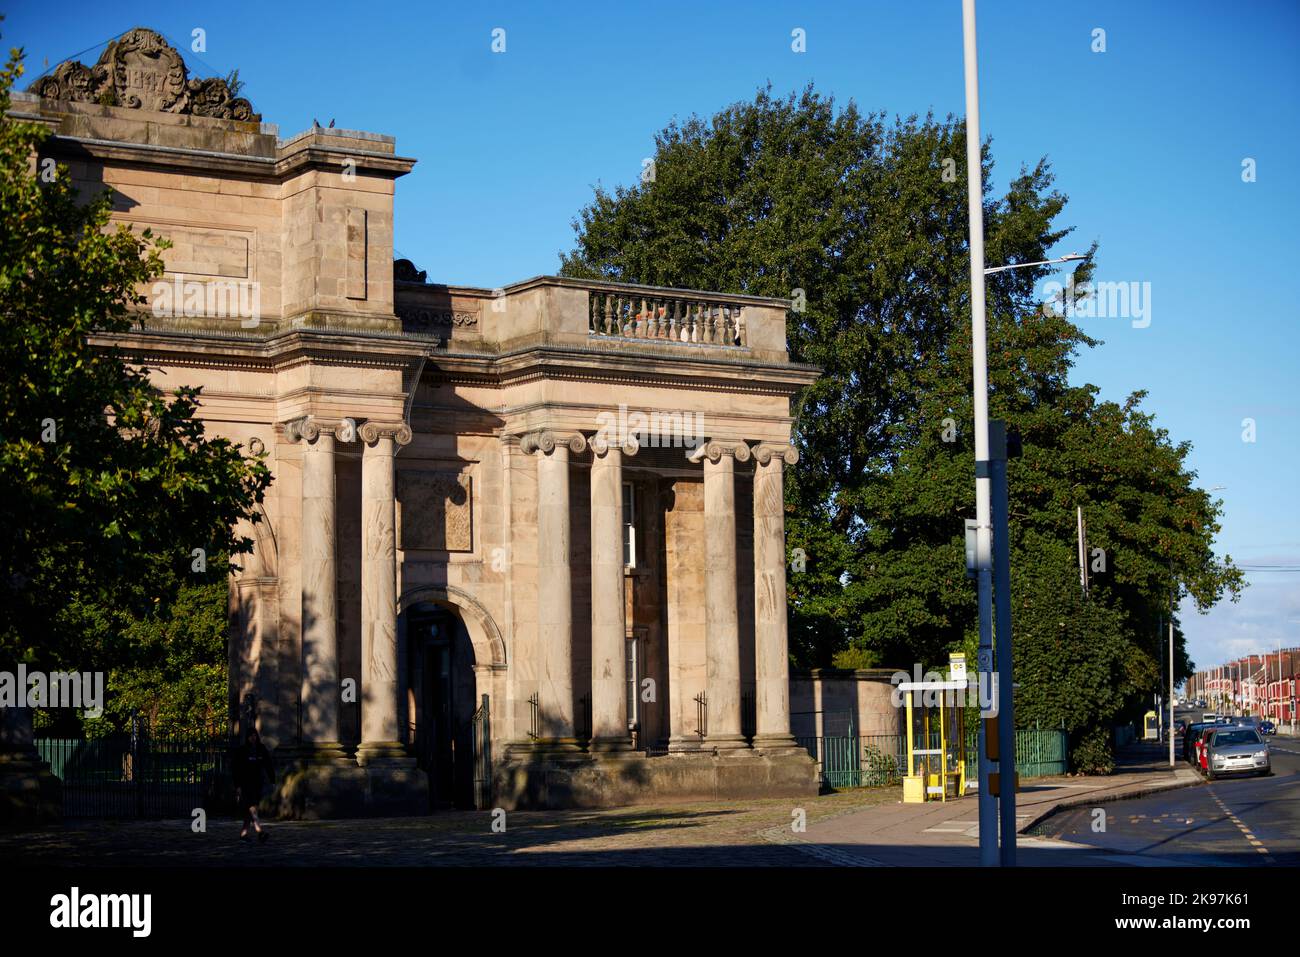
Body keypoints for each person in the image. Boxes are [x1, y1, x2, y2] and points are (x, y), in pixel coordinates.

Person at [232, 728, 274, 843]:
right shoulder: (242, 751)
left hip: (258, 783)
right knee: (252, 806)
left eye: (254, 735)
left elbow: (268, 764)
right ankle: (259, 831)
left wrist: (272, 779)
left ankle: (244, 834)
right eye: (250, 736)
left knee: (250, 809)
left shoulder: (261, 749)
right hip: (245, 783)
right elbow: (236, 769)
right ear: (247, 737)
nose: (253, 738)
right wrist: (237, 785)